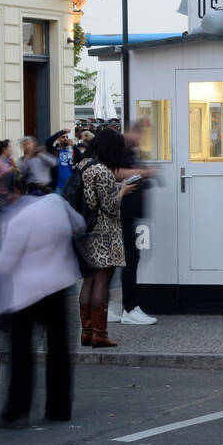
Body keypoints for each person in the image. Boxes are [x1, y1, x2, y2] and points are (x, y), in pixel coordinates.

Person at [0, 193, 83, 428]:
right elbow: (79, 223)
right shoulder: (56, 203)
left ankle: (18, 410)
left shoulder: (16, 220)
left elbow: (7, 263)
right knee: (59, 349)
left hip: (26, 293)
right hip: (58, 286)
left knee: (22, 353)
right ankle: (59, 407)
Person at [71, 128, 138, 345]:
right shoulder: (102, 170)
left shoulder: (83, 165)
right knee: (102, 279)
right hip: (103, 233)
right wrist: (122, 191)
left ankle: (86, 332)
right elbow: (110, 205)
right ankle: (100, 334)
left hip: (83, 231)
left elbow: (91, 197)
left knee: (88, 280)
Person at [114, 121, 157, 325]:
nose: (143, 138)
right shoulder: (122, 149)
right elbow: (115, 172)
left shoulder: (130, 150)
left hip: (130, 213)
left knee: (129, 258)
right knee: (130, 259)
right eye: (142, 134)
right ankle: (129, 309)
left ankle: (118, 308)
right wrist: (144, 173)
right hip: (125, 213)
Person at [0, 140, 18, 241]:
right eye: (9, 147)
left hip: (8, 195)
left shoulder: (10, 161)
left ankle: (7, 243)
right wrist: (8, 171)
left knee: (9, 221)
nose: (11, 149)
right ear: (4, 149)